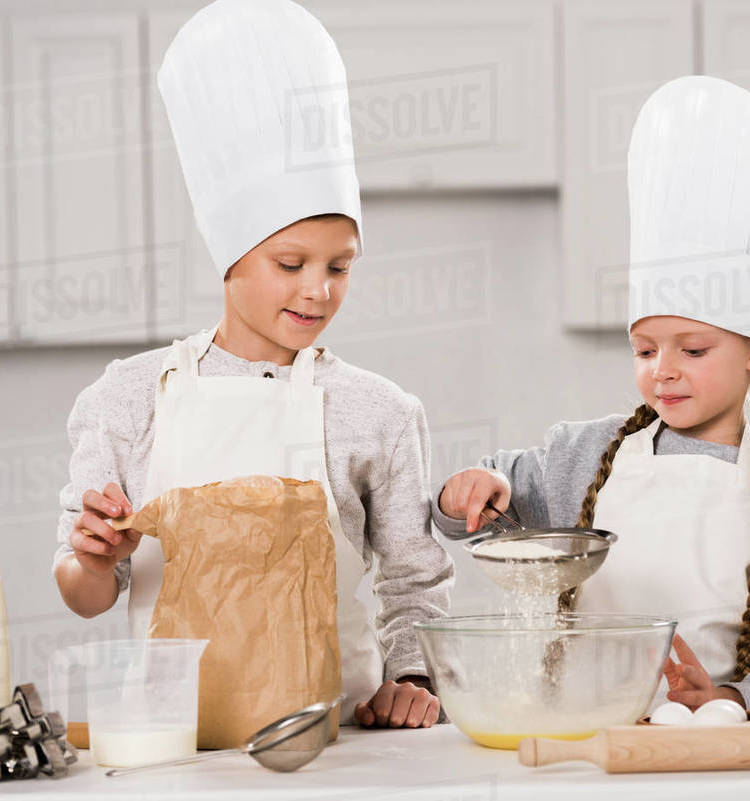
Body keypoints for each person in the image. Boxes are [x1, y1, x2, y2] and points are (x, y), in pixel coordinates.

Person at [53, 0, 453, 729]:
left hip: (338, 745)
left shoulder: (381, 411)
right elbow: (87, 592)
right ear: (229, 255)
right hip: (173, 744)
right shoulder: (131, 396)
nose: (318, 289)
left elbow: (413, 582)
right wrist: (89, 555)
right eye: (290, 262)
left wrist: (413, 677)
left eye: (341, 265)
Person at [433, 76, 750, 716]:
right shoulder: (579, 455)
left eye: (692, 351)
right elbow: (479, 520)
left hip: (709, 746)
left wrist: (728, 694)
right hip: (572, 734)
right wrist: (464, 490)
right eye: (644, 350)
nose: (662, 371)